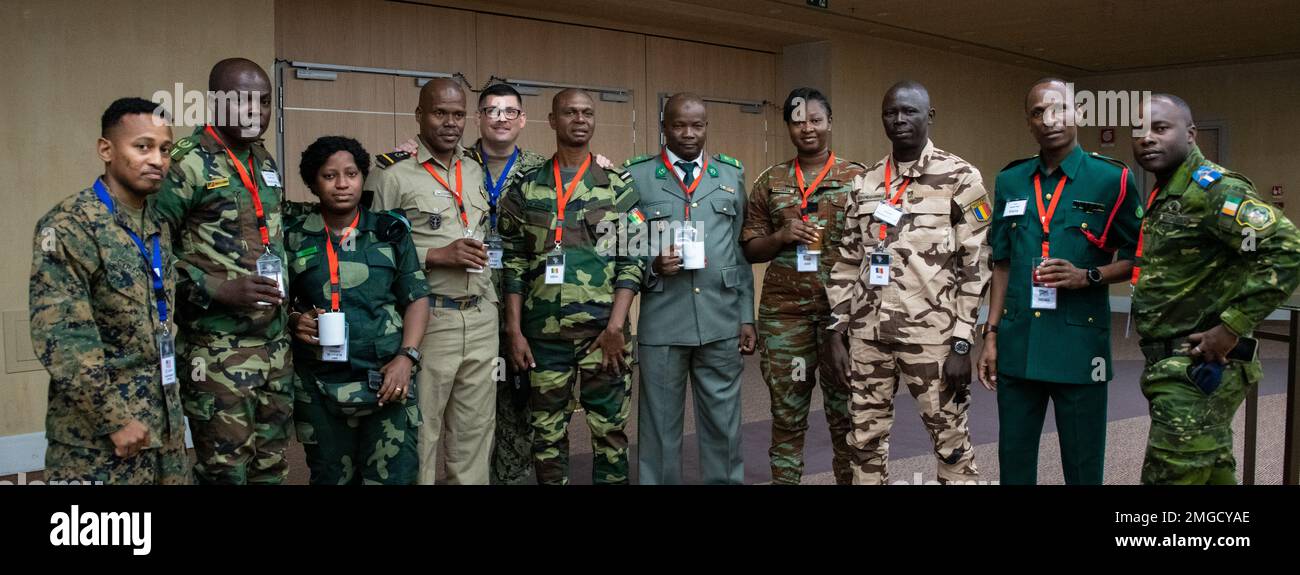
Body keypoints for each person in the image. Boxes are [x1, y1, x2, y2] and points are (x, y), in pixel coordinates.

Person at [824, 81, 991, 484]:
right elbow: (847, 260)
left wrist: (963, 342)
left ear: (929, 116)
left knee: (950, 441)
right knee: (864, 441)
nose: (899, 119)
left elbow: (976, 263)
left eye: (909, 111)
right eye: (890, 112)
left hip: (933, 338)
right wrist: (836, 329)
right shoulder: (865, 183)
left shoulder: (960, 177)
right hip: (868, 335)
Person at [1130, 93, 1300, 484]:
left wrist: (1231, 327)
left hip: (1197, 365)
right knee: (1211, 473)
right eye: (1138, 132)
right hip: (1174, 365)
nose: (1147, 138)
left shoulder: (1213, 190)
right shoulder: (1169, 191)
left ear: (1190, 134)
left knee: (1171, 477)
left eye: (1160, 128)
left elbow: (1287, 250)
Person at [977, 78, 1141, 485]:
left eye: (1059, 109)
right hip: (1019, 342)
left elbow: (1137, 257)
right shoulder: (1011, 180)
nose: (1049, 120)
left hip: (1079, 345)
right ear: (1029, 122)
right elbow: (1002, 263)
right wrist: (991, 335)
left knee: (1083, 466)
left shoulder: (1112, 179)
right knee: (1014, 463)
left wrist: (1089, 276)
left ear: (1079, 113)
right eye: (1038, 113)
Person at [31, 97, 188, 485]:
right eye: (143, 147)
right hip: (100, 441)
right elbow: (62, 337)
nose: (157, 160)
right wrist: (113, 419)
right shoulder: (71, 224)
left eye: (165, 149)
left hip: (163, 426)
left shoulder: (157, 223)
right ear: (106, 150)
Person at [153, 58, 293, 484]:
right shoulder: (185, 164)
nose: (256, 112)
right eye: (243, 101)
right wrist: (216, 288)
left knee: (271, 467)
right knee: (225, 473)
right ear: (215, 101)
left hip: (274, 345)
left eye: (264, 102)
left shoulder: (262, 158)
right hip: (216, 350)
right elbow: (149, 256)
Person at [498, 88, 644, 485]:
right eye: (570, 112)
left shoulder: (616, 186)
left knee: (610, 434)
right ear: (552, 120)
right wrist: (514, 330)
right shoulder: (527, 188)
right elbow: (513, 262)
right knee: (546, 437)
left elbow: (633, 260)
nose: (579, 119)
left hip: (604, 335)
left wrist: (616, 327)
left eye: (587, 113)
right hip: (542, 337)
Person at [367, 78, 497, 485]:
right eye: (440, 113)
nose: (450, 122)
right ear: (420, 115)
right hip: (430, 320)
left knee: (475, 435)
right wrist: (437, 255)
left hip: (480, 317)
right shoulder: (392, 174)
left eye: (458, 114)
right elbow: (370, 250)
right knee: (420, 434)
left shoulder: (473, 169)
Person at [624, 92, 756, 484]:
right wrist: (652, 264)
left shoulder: (730, 175)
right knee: (659, 429)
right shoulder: (637, 176)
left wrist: (746, 315)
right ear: (664, 127)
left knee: (724, 425)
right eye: (679, 125)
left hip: (720, 318)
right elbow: (621, 246)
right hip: (663, 321)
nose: (688, 133)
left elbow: (739, 251)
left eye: (696, 125)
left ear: (706, 127)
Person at [284, 136, 430, 485]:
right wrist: (294, 320)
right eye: (329, 175)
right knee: (331, 477)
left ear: (363, 177)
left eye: (351, 174)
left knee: (393, 477)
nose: (342, 184)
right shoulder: (293, 236)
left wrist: (407, 357)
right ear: (313, 182)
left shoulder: (389, 231)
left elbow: (417, 298)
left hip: (387, 377)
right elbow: (278, 301)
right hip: (319, 383)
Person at [741, 87, 865, 485]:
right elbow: (750, 250)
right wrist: (780, 236)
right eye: (798, 122)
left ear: (830, 122)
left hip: (843, 319)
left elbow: (876, 245)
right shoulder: (770, 181)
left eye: (815, 120)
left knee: (847, 416)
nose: (807, 128)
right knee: (788, 415)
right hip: (786, 319)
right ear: (788, 127)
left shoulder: (859, 179)